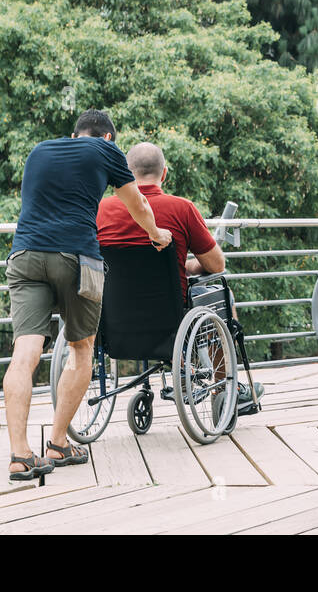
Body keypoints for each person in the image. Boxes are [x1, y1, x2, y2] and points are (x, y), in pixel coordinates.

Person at [3, 110, 172, 481]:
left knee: (25, 354)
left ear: (74, 133)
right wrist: (157, 234)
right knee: (82, 349)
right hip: (77, 259)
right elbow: (139, 206)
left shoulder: (39, 151)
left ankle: (19, 454)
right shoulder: (106, 150)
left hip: (25, 256)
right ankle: (59, 443)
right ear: (108, 138)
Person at [96, 142, 263, 403]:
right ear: (164, 174)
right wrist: (186, 265)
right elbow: (217, 266)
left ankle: (185, 369)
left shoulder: (100, 210)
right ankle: (225, 386)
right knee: (222, 295)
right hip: (170, 314)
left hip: (115, 315)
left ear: (125, 173)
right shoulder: (181, 208)